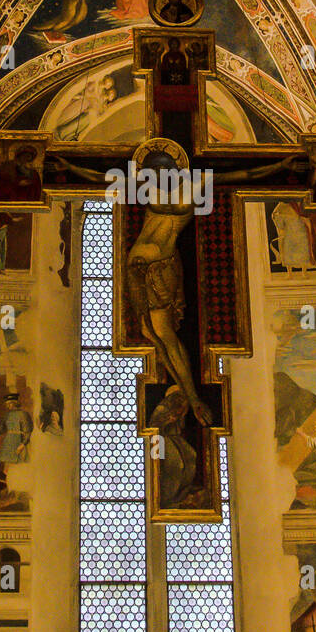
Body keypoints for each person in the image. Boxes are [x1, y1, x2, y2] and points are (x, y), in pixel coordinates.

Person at [126, 153, 212, 428]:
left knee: (165, 333)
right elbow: (97, 177)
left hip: (160, 268)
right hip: (135, 269)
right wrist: (66, 167)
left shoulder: (196, 184)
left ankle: (193, 397)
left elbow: (242, 175)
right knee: (148, 332)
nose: (155, 176)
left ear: (174, 171)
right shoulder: (148, 189)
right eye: (150, 172)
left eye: (160, 171)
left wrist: (279, 167)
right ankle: (185, 391)